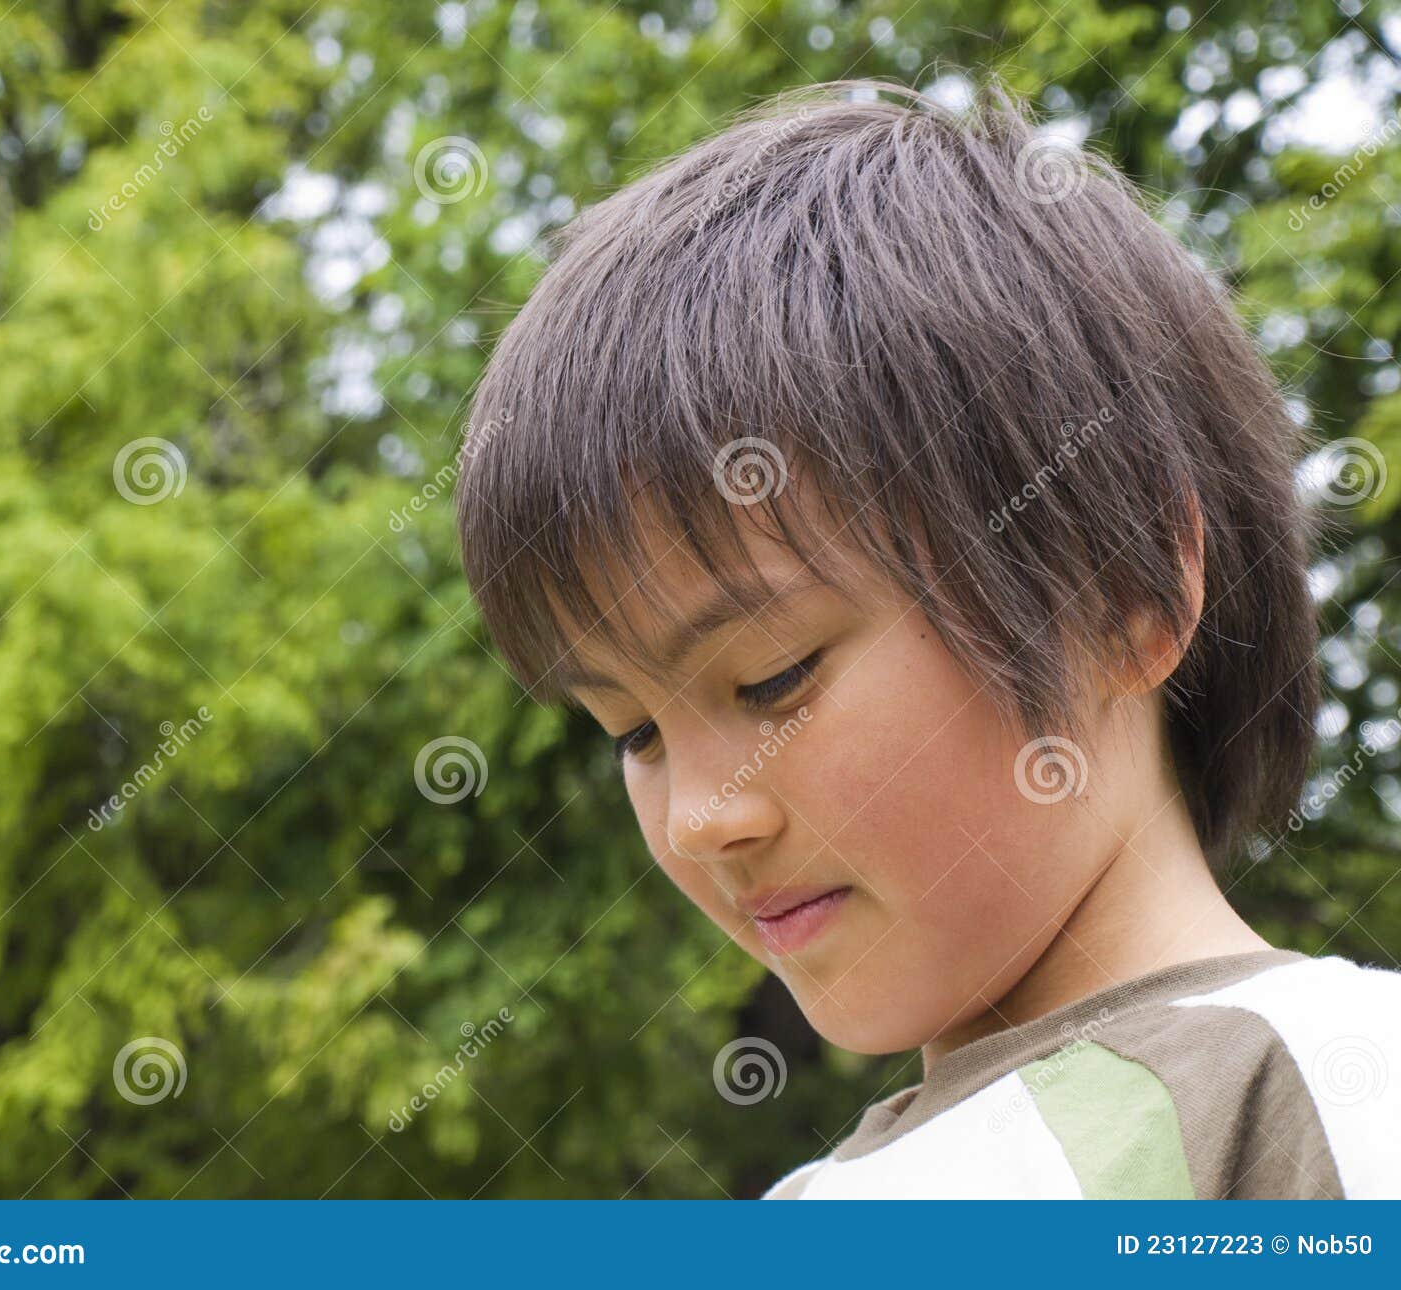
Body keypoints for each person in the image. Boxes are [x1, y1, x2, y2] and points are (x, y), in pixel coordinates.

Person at [452, 77, 1401, 1199]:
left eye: (772, 676)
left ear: (1125, 591)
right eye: (635, 732)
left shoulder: (1323, 1086)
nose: (704, 818)